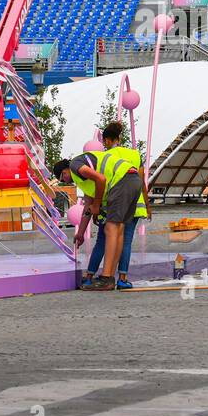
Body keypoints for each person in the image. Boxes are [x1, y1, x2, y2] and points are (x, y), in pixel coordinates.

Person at [53, 122, 149, 292]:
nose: (65, 180)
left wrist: (97, 205)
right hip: (132, 180)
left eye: (63, 176)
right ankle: (110, 277)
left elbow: (101, 180)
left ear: (66, 169)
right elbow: (87, 207)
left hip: (122, 180)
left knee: (111, 229)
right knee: (118, 230)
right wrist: (81, 233)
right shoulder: (84, 181)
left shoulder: (76, 165)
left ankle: (106, 278)